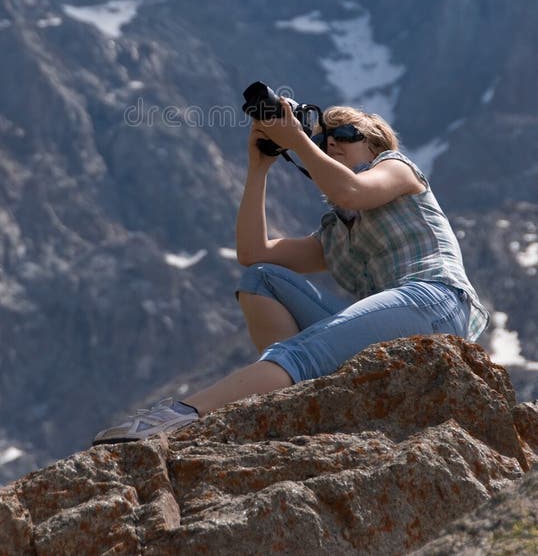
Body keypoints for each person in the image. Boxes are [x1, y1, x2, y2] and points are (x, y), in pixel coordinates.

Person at [92, 99, 489, 444]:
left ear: (374, 142)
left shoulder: (397, 167)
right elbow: (252, 253)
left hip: (436, 301)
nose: (331, 141)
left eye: (346, 134)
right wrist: (259, 166)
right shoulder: (336, 233)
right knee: (262, 279)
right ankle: (295, 400)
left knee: (303, 351)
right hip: (395, 325)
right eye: (323, 138)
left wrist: (298, 140)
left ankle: (180, 416)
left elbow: (350, 190)